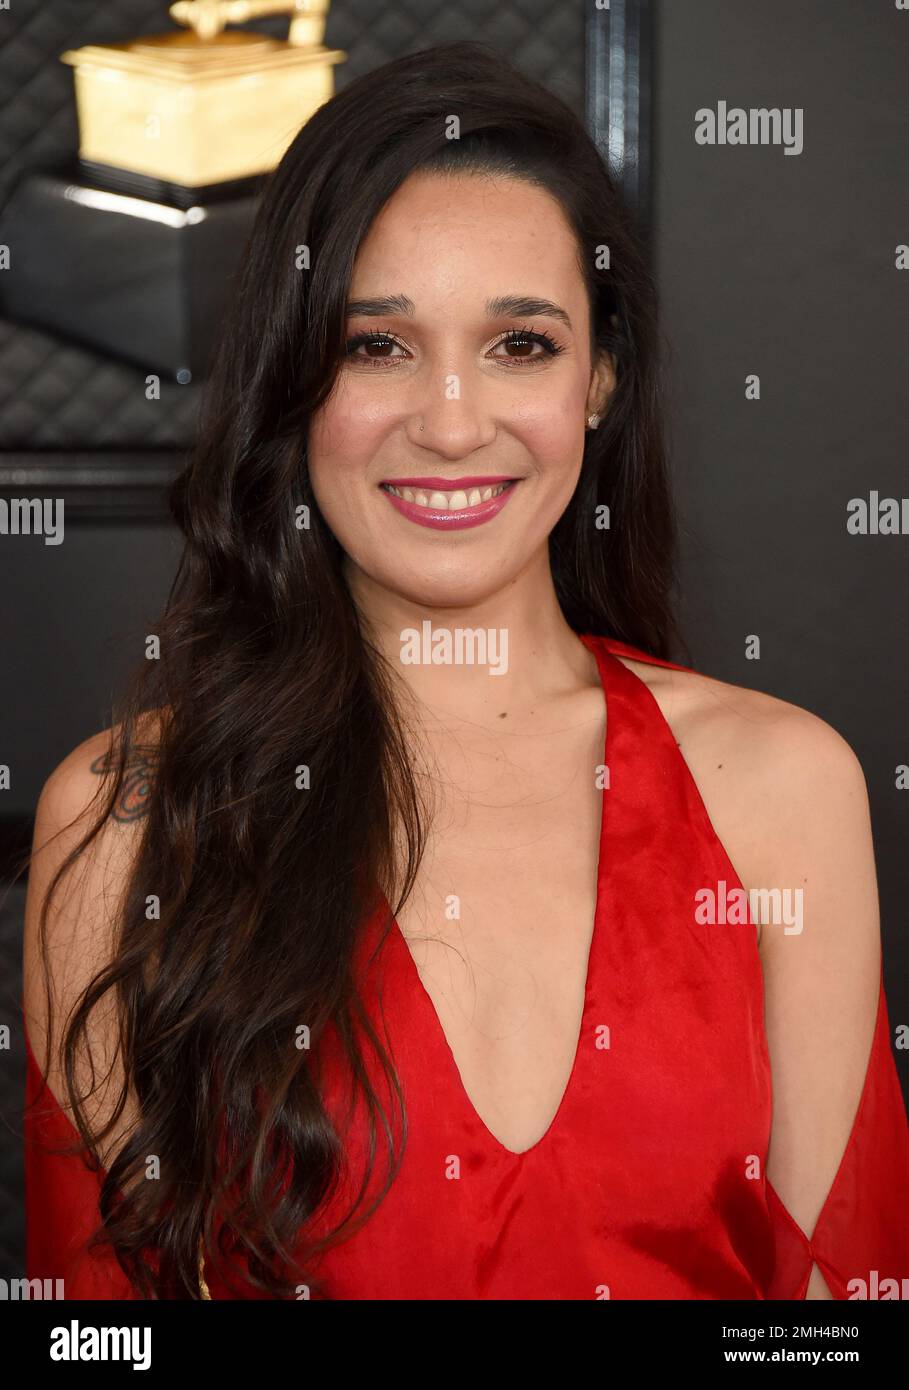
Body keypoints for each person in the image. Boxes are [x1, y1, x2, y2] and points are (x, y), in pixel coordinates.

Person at [21, 41, 909, 1301]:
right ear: (293, 377)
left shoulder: (781, 789)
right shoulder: (123, 820)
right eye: (377, 346)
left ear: (601, 377)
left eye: (521, 345)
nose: (449, 419)